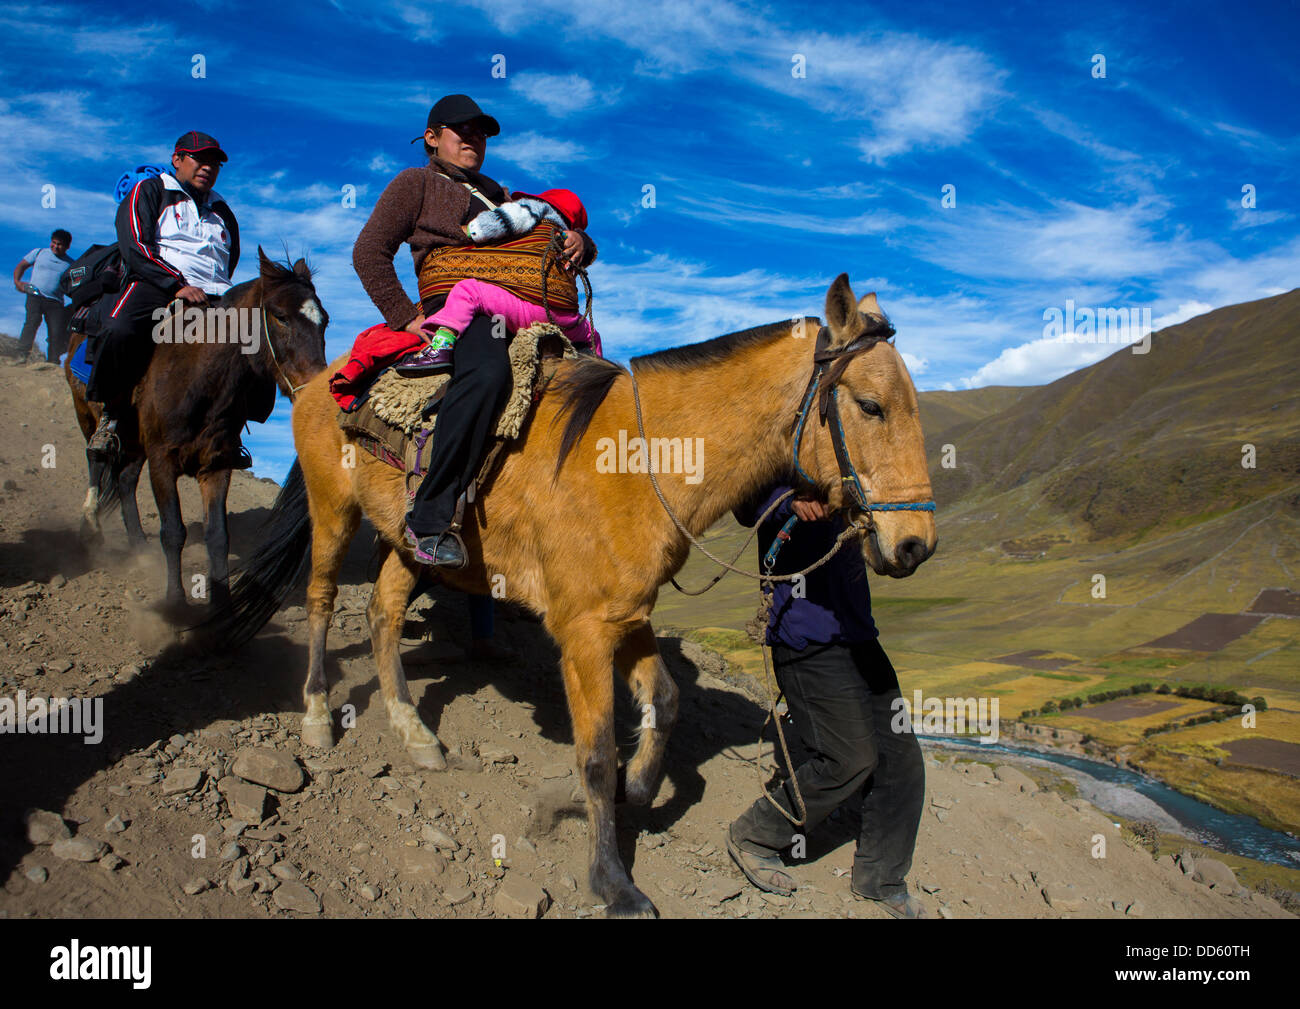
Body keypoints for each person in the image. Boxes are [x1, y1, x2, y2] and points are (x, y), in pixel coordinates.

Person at [352, 93, 597, 569]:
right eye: (462, 131)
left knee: (589, 383)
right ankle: (429, 519)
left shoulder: (502, 194)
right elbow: (369, 252)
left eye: (481, 133)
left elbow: (547, 221)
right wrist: (405, 315)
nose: (474, 139)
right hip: (459, 303)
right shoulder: (414, 182)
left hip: (524, 302)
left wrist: (581, 241)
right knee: (486, 374)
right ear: (431, 137)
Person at [725, 483, 929, 918]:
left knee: (902, 761)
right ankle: (755, 834)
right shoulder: (783, 446)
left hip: (859, 635)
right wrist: (786, 500)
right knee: (848, 758)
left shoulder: (850, 454)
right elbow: (743, 499)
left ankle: (881, 878)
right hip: (805, 640)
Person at [85, 131, 240, 457]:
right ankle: (110, 414)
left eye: (214, 162)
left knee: (260, 341)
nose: (208, 167)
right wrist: (176, 284)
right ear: (177, 160)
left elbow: (230, 257)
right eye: (199, 159)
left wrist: (220, 292)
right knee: (119, 328)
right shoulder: (151, 190)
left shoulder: (223, 209)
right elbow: (135, 244)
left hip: (216, 295)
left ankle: (231, 431)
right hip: (158, 283)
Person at [398, 188, 602, 372]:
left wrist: (472, 231)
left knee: (469, 291)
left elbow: (506, 220)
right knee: (593, 335)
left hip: (530, 308)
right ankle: (597, 373)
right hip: (565, 317)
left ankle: (441, 346)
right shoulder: (570, 240)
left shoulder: (537, 209)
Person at [12, 229, 73, 362]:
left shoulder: (70, 264)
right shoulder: (39, 253)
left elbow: (74, 285)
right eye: (54, 243)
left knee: (56, 331)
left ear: (67, 246)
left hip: (55, 302)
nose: (55, 246)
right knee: (31, 323)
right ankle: (22, 355)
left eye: (60, 244)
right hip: (35, 295)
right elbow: (21, 266)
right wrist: (18, 282)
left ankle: (52, 361)